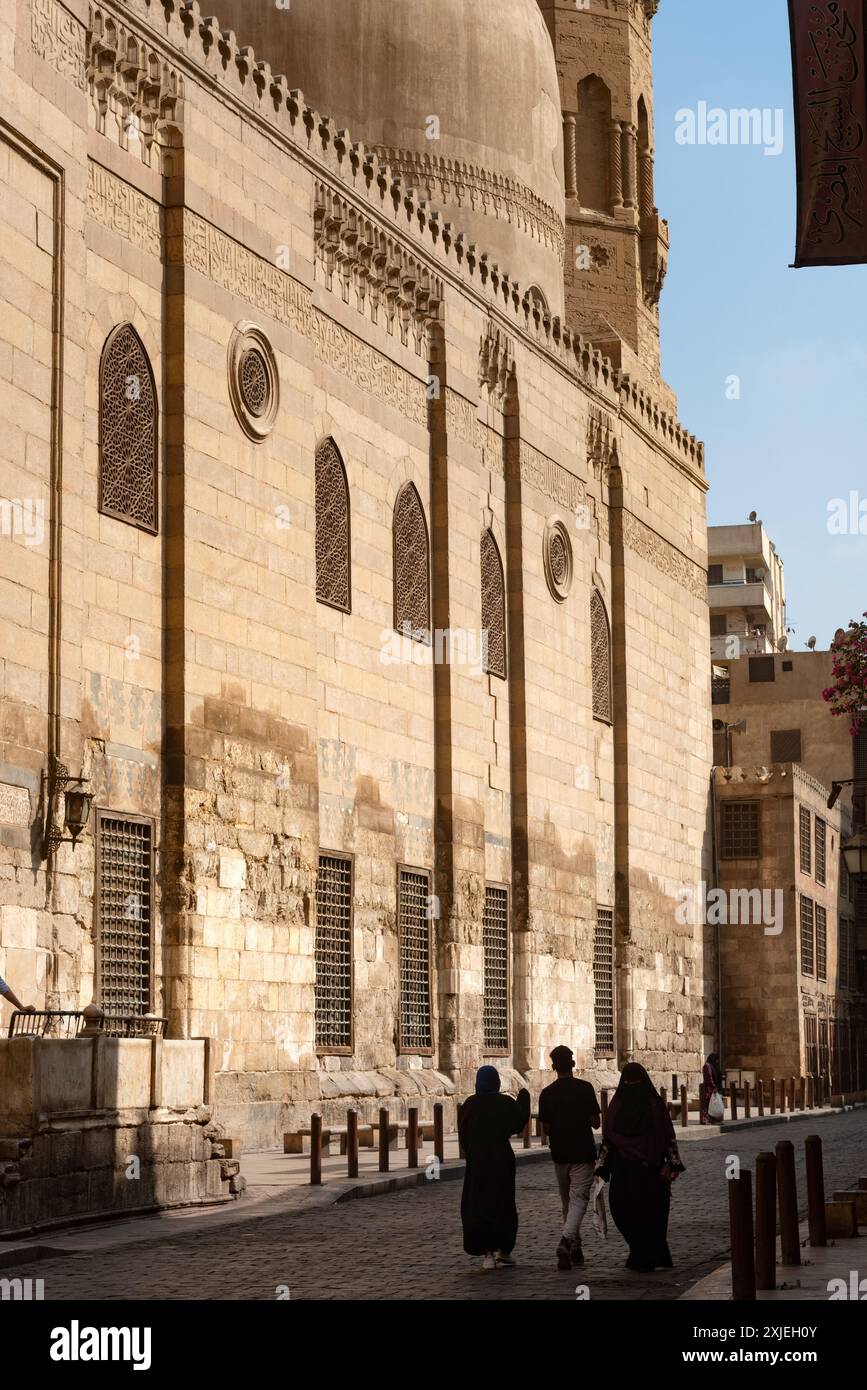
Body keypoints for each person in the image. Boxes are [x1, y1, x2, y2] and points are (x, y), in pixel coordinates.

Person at [594, 1062, 684, 1273]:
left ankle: (644, 1255)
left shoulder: (623, 1104)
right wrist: (672, 1164)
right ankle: (644, 1254)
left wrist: (601, 1169)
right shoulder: (651, 1103)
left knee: (642, 1216)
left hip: (636, 1173)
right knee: (637, 1215)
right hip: (643, 1172)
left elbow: (609, 1140)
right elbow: (668, 1136)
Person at [459, 1065, 531, 1271]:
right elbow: (518, 1122)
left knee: (480, 1203)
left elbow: (463, 1136)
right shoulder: (505, 1103)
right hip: (501, 1159)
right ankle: (504, 1251)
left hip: (478, 1161)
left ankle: (487, 1253)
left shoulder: (470, 1105)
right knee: (503, 1202)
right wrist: (524, 1097)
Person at [538, 1044, 601, 1269]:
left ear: (554, 1067)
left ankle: (576, 1247)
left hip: (560, 1155)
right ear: (573, 1064)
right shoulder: (585, 1088)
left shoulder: (546, 1094)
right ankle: (565, 1242)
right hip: (582, 1153)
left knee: (568, 1203)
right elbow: (596, 1123)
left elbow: (545, 1128)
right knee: (579, 1200)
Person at [700, 1052, 722, 1125]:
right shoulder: (707, 1066)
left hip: (712, 1089)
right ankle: (706, 1120)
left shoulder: (712, 1066)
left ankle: (712, 1119)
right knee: (707, 1104)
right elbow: (709, 1078)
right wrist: (713, 1087)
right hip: (709, 1089)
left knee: (712, 1105)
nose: (717, 1061)